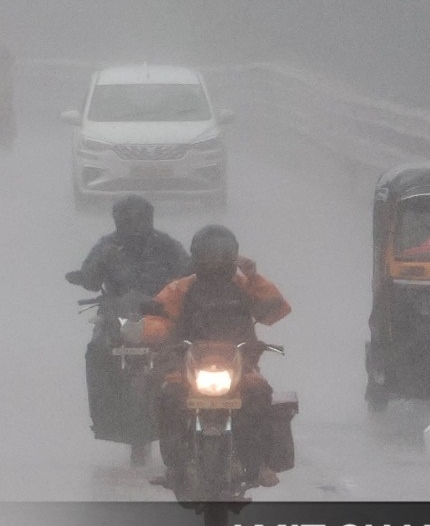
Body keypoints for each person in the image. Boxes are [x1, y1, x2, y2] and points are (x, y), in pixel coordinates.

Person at [143, 225, 292, 488]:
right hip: (188, 364)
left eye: (221, 255)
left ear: (233, 256)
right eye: (209, 254)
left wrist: (254, 276)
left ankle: (257, 466)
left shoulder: (246, 284)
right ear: (197, 255)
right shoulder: (181, 288)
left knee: (258, 395)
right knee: (169, 395)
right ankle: (175, 467)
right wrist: (156, 333)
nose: (215, 261)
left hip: (240, 364)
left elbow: (275, 311)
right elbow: (157, 316)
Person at [66, 196, 190, 439]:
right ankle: (103, 417)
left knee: (187, 351)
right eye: (128, 219)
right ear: (117, 221)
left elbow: (187, 273)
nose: (135, 224)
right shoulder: (106, 246)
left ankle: (190, 411)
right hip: (117, 316)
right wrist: (98, 265)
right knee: (97, 351)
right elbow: (90, 281)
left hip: (160, 314)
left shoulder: (166, 245)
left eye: (140, 218)